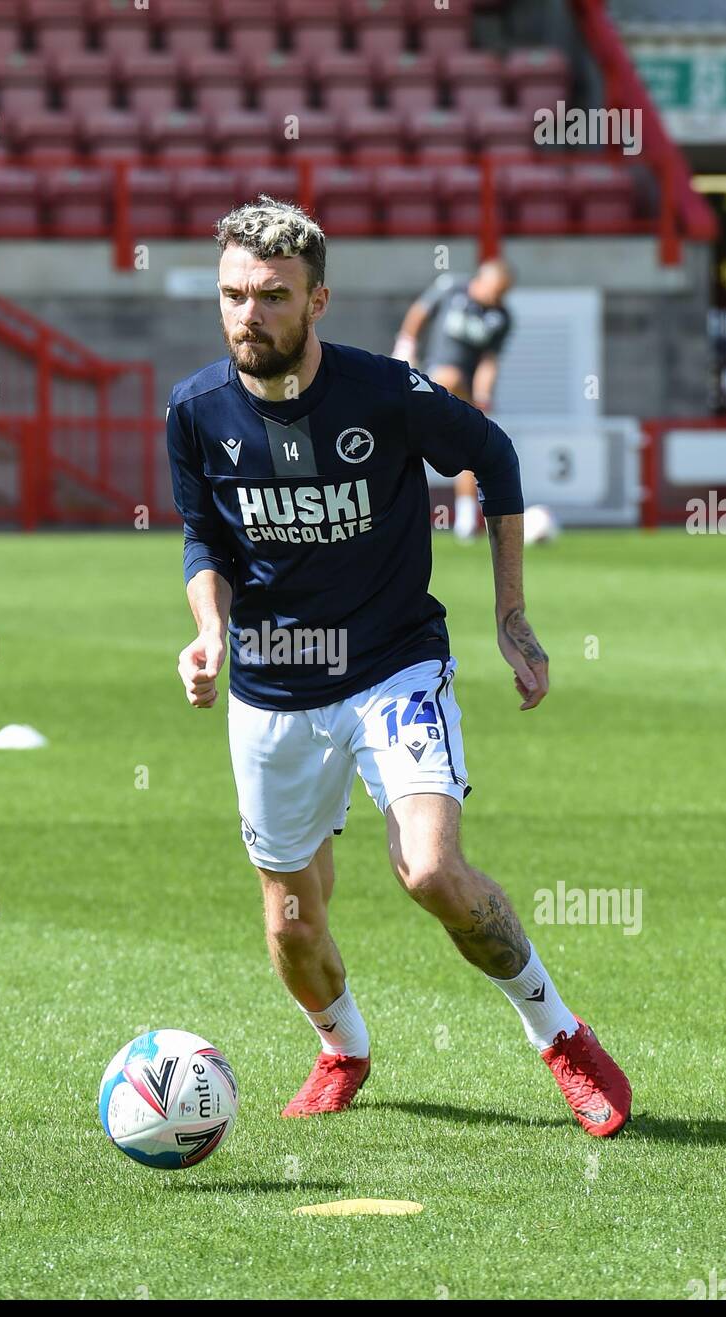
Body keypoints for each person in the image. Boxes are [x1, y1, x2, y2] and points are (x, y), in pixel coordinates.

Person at [167, 195, 631, 1137]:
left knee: (429, 871)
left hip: (391, 668)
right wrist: (208, 631)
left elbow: (492, 458)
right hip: (270, 688)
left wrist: (512, 618)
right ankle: (341, 1048)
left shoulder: (384, 392)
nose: (247, 315)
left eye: (270, 296)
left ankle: (562, 1037)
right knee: (293, 925)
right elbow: (200, 539)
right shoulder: (195, 410)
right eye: (232, 295)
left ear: (317, 301)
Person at [393, 260, 514, 541]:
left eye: (502, 293)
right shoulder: (452, 289)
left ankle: (465, 517)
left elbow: (489, 360)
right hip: (428, 378)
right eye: (494, 291)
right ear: (481, 279)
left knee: (469, 450)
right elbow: (419, 313)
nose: (496, 298)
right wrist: (406, 343)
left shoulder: (501, 317)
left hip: (464, 392)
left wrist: (484, 395)